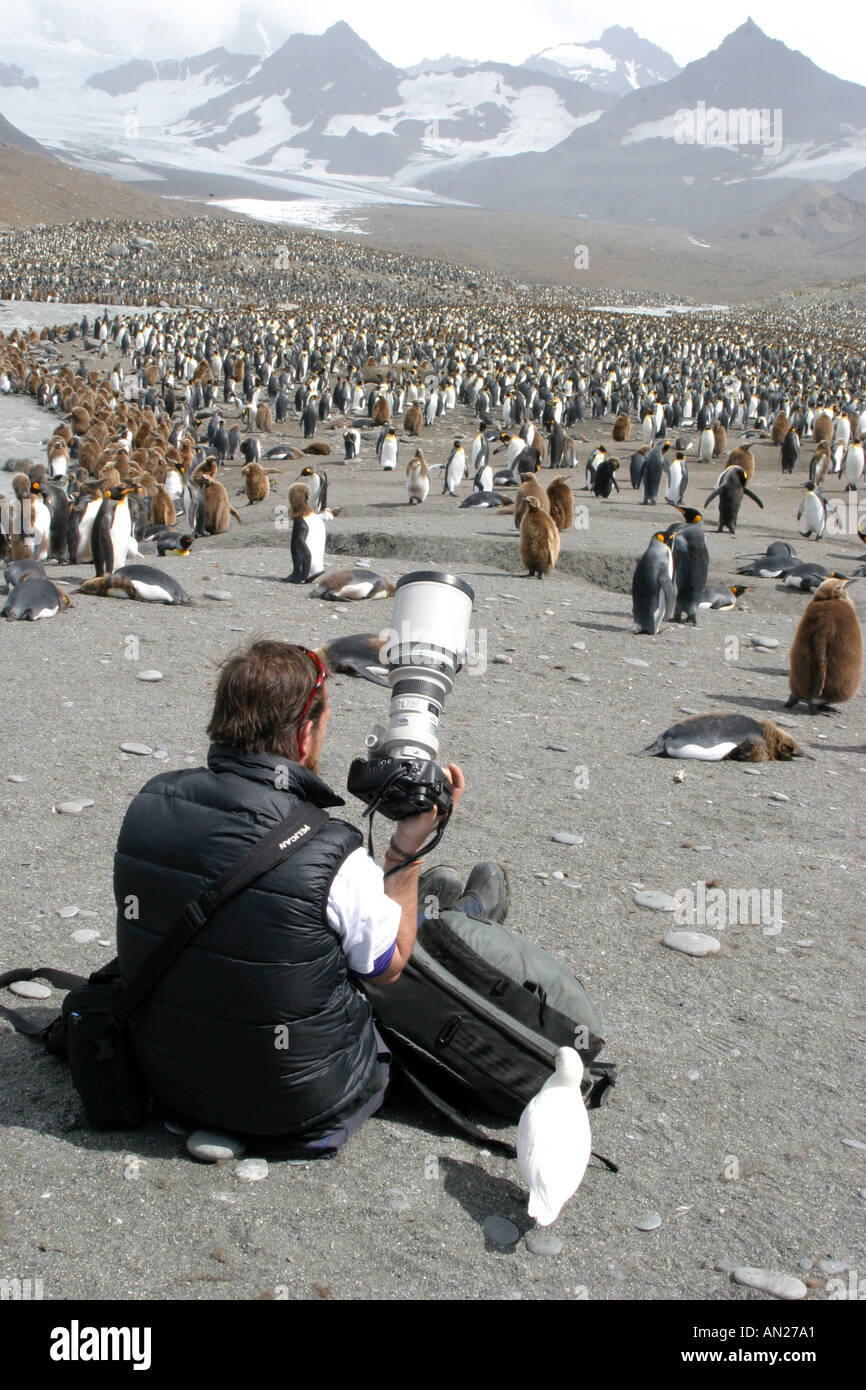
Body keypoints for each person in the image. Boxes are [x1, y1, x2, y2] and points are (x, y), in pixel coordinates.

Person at [114, 639, 506, 1157]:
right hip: (296, 1105)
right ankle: (469, 914)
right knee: (389, 946)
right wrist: (407, 851)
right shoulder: (329, 851)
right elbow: (387, 969)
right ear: (304, 736)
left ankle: (453, 908)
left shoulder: (150, 802)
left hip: (164, 1080)